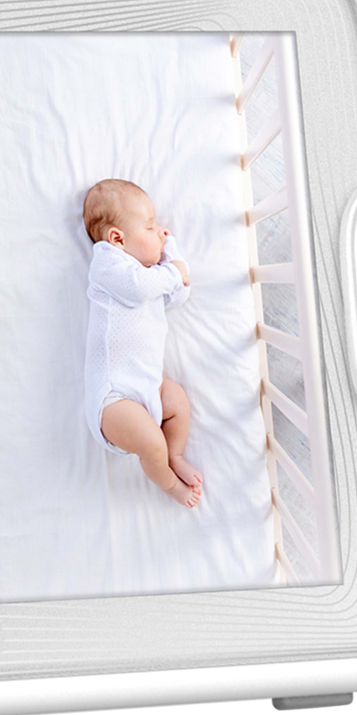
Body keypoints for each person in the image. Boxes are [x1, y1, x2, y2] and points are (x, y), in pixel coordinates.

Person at [80, 177, 204, 507]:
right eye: (150, 227)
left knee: (177, 401)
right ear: (117, 239)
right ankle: (169, 483)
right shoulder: (109, 265)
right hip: (114, 399)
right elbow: (142, 287)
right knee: (150, 442)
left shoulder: (149, 278)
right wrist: (172, 271)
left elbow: (179, 293)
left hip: (149, 387)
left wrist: (171, 255)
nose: (159, 231)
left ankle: (174, 455)